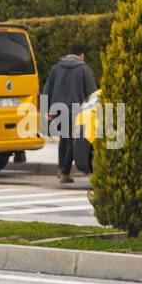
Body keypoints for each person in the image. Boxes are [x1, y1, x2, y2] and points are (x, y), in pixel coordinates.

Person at [42, 44, 98, 184]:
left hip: (57, 109)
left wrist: (46, 110)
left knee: (64, 139)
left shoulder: (57, 68)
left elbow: (47, 89)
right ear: (82, 55)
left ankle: (61, 168)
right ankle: (65, 173)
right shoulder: (84, 69)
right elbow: (92, 92)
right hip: (76, 111)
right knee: (73, 142)